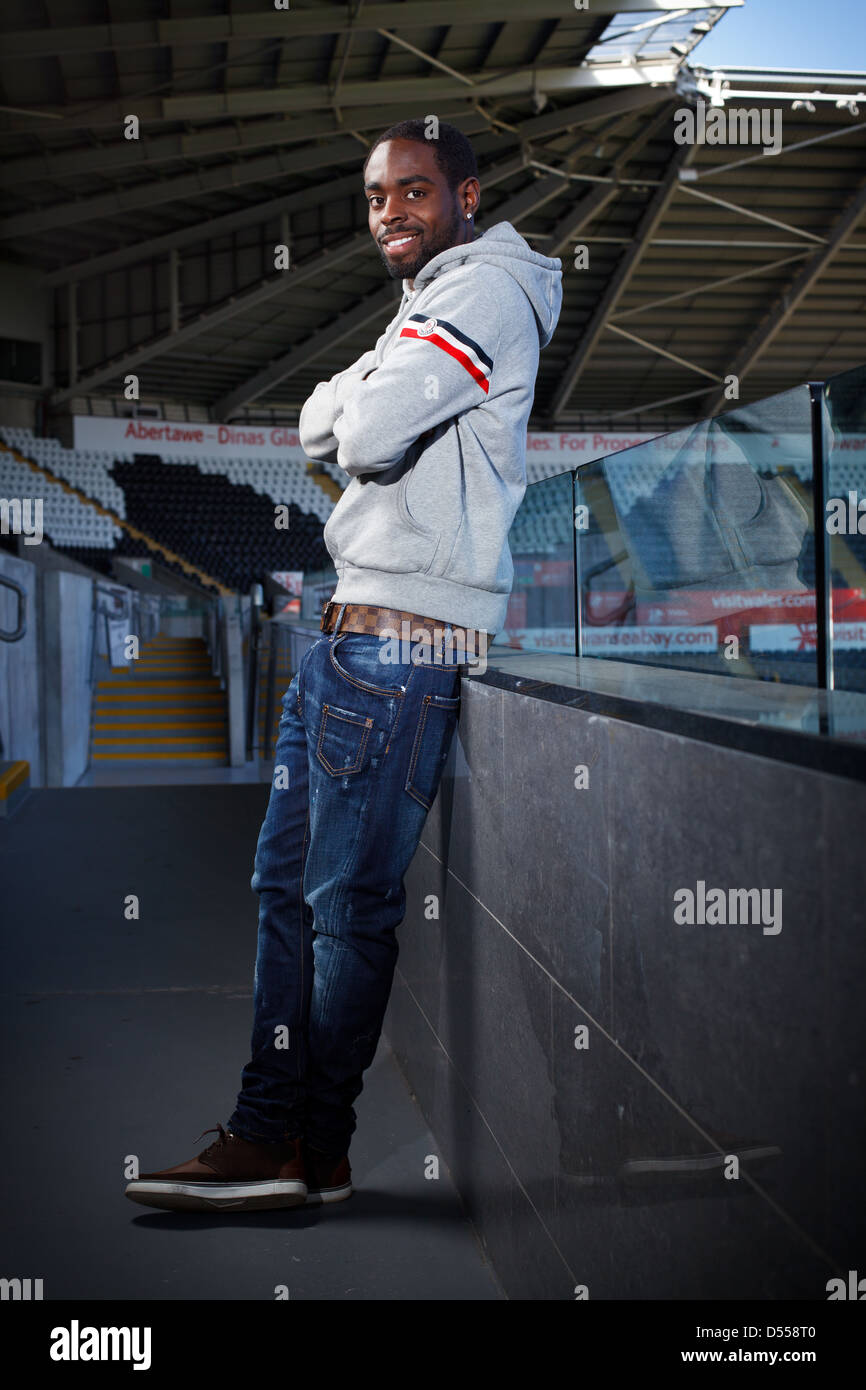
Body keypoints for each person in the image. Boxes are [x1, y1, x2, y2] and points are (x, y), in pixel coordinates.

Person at [125, 118, 562, 1212]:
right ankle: (273, 1132)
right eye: (375, 198)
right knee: (285, 886)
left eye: (414, 191)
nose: (390, 214)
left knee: (342, 905)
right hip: (348, 635)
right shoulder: (424, 304)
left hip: (404, 640)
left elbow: (356, 434)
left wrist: (354, 396)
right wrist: (354, 392)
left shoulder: (485, 291)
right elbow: (323, 413)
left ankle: (306, 1145)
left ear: (466, 195)